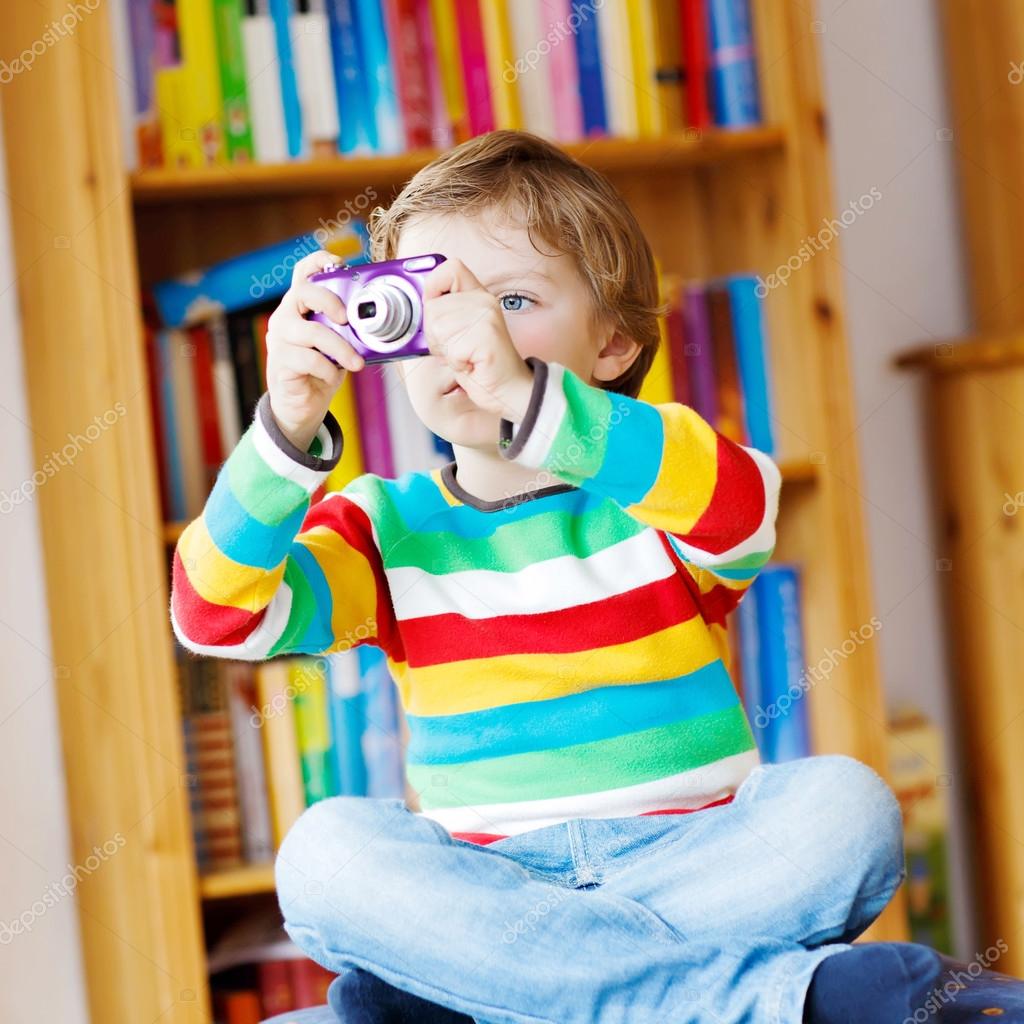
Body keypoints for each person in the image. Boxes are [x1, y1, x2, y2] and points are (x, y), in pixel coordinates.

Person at [170, 130, 943, 1024]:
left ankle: (496, 999)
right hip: (492, 882)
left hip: (693, 858)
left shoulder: (651, 489)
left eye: (512, 300)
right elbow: (217, 619)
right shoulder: (382, 528)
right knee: (324, 855)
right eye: (433, 302)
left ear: (612, 345)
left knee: (846, 810)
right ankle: (752, 1002)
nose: (472, 334)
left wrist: (533, 404)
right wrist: (286, 429)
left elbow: (742, 509)